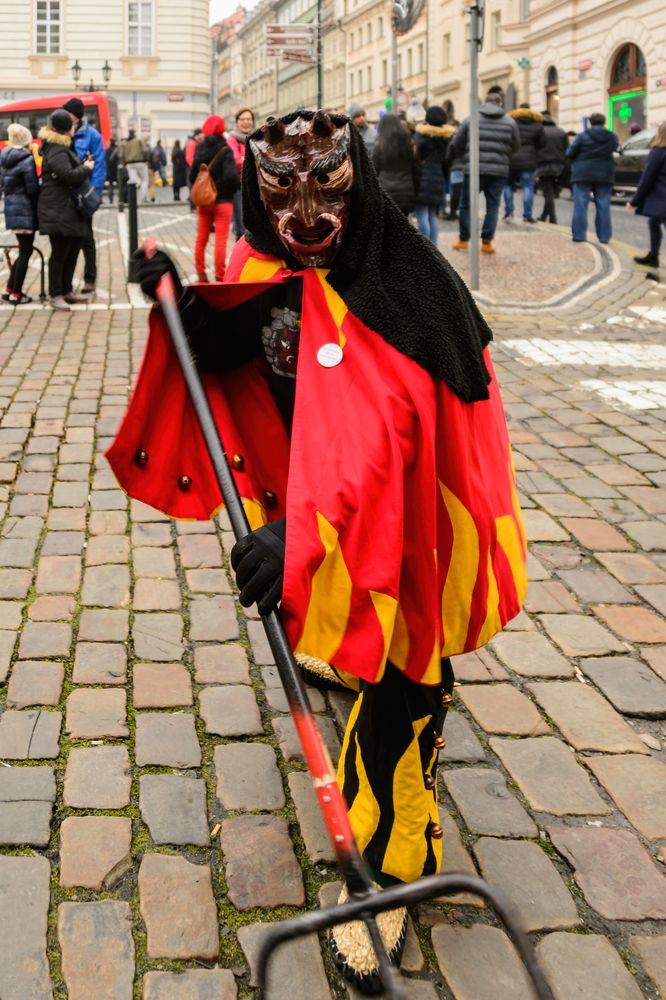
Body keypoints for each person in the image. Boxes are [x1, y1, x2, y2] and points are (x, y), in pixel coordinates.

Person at [111, 109, 527, 993]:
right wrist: (179, 298)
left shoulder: (404, 287)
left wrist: (302, 532)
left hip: (416, 515)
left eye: (325, 186)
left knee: (404, 675)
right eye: (281, 191)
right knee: (358, 629)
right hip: (324, 494)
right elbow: (245, 330)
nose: (303, 215)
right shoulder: (274, 258)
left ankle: (390, 866)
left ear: (359, 180)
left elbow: (384, 439)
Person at [38, 109, 95, 311]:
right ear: (66, 129)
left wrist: (82, 165)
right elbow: (67, 175)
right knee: (61, 252)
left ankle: (66, 290)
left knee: (72, 248)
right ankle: (55, 294)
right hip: (57, 208)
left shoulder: (61, 147)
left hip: (67, 208)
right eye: (72, 126)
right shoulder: (56, 149)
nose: (74, 129)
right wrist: (86, 168)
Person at [452, 92, 520, 254]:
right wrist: (503, 157)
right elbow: (516, 146)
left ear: (483, 103)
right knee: (493, 206)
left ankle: (463, 240)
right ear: (500, 103)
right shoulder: (510, 122)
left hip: (473, 169)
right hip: (498, 171)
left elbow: (457, 143)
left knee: (466, 205)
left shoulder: (470, 119)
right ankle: (487, 242)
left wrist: (466, 157)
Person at [63, 97, 105, 296]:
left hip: (84, 191)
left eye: (68, 113)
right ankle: (65, 283)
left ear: (76, 117)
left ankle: (90, 278)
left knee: (86, 238)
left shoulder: (92, 136)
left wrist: (94, 193)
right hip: (65, 193)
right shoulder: (61, 132)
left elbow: (99, 166)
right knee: (67, 239)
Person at [189, 114, 239, 282]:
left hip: (204, 201)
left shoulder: (200, 148)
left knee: (201, 239)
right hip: (223, 201)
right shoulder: (225, 149)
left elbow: (191, 177)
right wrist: (233, 187)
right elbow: (231, 176)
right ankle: (220, 275)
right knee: (221, 240)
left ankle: (201, 274)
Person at [0, 123, 39, 304]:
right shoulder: (26, 159)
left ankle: (9, 289)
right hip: (24, 211)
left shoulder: (4, 157)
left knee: (24, 249)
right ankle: (17, 293)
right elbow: (32, 189)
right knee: (26, 251)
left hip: (11, 209)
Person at [566, 112, 618, 244]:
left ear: (590, 122)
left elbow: (569, 153)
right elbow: (615, 148)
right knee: (604, 205)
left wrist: (577, 162)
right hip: (605, 174)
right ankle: (604, 236)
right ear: (604, 122)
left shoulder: (583, 136)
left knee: (580, 205)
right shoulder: (612, 136)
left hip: (583, 173)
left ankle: (579, 235)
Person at [414, 106, 454, 244]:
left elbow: (415, 157)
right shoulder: (446, 139)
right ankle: (434, 247)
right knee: (432, 215)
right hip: (438, 179)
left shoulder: (421, 136)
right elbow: (448, 161)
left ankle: (426, 248)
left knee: (421, 214)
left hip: (422, 179)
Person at [628, 122, 666, 268]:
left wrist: (635, 201)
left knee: (657, 222)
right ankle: (653, 255)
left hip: (662, 199)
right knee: (653, 222)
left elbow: (647, 179)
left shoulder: (658, 152)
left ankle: (653, 256)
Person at [503, 104, 545, 222]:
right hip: (529, 160)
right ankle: (527, 215)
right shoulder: (537, 125)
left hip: (511, 159)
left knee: (507, 185)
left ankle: (509, 212)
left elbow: (506, 140)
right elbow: (542, 143)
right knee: (527, 187)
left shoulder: (510, 122)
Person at [372, 113, 419, 216]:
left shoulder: (380, 146)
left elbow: (374, 172)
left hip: (386, 192)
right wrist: (415, 191)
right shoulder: (410, 145)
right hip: (406, 192)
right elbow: (416, 170)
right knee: (403, 224)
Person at [226, 108, 255, 239]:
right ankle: (241, 258)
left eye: (248, 119)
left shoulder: (257, 137)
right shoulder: (232, 139)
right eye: (242, 119)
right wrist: (254, 160)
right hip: (240, 186)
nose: (246, 122)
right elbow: (236, 161)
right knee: (242, 228)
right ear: (237, 122)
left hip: (257, 185)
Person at [535, 112, 568, 224]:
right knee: (550, 192)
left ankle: (553, 218)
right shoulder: (561, 132)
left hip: (543, 165)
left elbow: (536, 148)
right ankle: (544, 216)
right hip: (559, 165)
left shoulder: (539, 132)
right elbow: (567, 150)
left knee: (548, 192)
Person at [120, 129, 149, 203]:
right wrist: (146, 159)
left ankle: (132, 198)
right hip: (140, 162)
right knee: (144, 181)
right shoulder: (139, 141)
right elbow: (145, 151)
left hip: (129, 164)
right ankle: (143, 198)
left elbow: (121, 155)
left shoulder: (124, 143)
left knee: (132, 182)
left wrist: (124, 162)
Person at [185, 127, 203, 211]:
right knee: (193, 188)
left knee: (196, 188)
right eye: (201, 134)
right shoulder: (191, 143)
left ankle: (195, 206)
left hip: (195, 169)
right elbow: (189, 158)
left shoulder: (197, 142)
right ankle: (193, 207)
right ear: (197, 135)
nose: (203, 136)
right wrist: (196, 169)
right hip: (192, 169)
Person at [106, 137, 119, 204]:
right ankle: (121, 199)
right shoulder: (117, 150)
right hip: (118, 170)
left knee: (110, 185)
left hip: (109, 171)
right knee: (120, 185)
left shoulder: (107, 150)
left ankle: (111, 200)